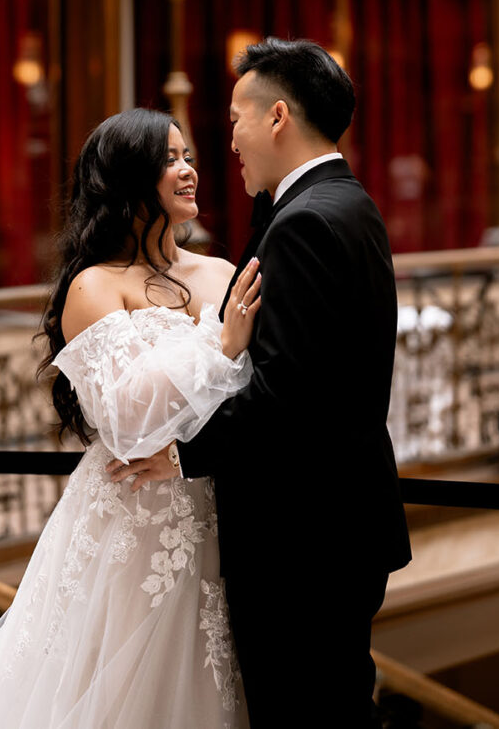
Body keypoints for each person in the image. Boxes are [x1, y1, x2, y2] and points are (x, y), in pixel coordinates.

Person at [0, 107, 260, 729]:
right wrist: (219, 346)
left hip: (217, 507)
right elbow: (126, 419)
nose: (188, 170)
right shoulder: (95, 285)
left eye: (188, 157)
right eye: (168, 160)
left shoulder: (223, 274)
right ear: (126, 179)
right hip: (136, 520)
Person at [109, 39, 412, 728]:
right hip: (340, 525)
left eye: (236, 119)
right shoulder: (348, 203)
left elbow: (287, 395)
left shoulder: (305, 222)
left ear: (278, 116)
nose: (230, 141)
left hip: (302, 541)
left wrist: (180, 455)